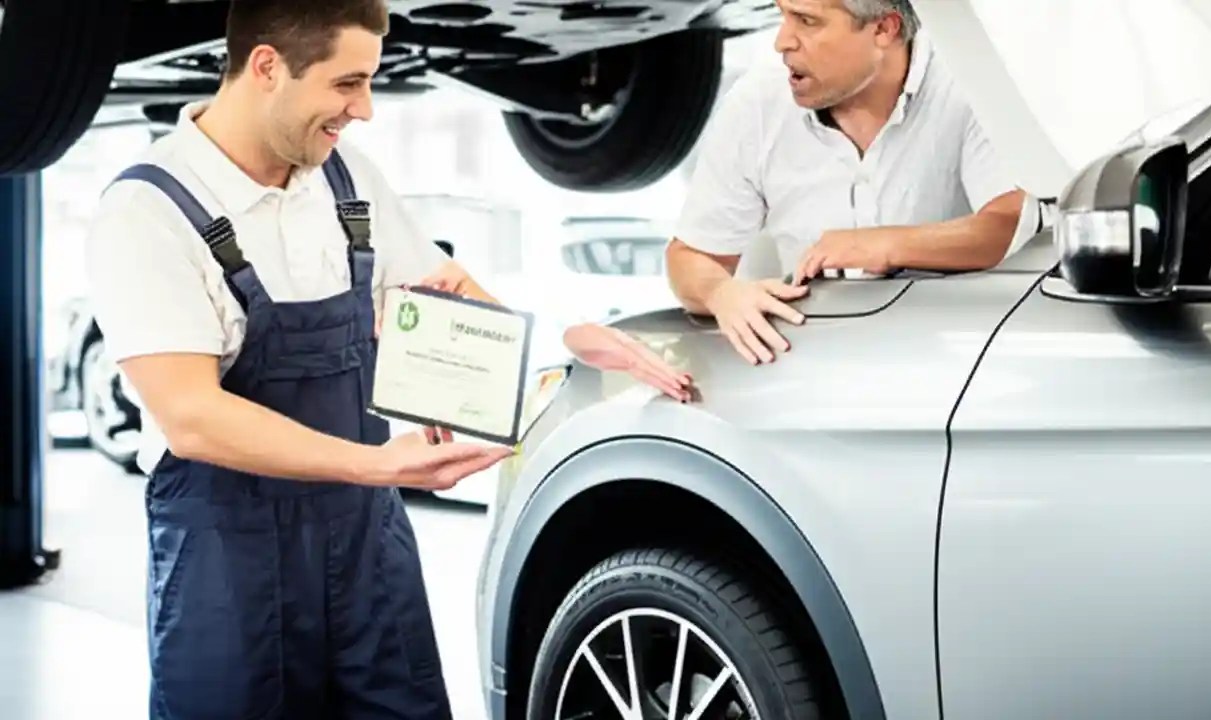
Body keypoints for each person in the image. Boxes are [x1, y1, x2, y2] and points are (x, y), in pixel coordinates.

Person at [85, 1, 691, 717]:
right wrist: (376, 466)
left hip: (366, 554)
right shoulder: (148, 209)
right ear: (267, 67)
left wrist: (558, 341)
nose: (365, 108)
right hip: (228, 570)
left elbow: (437, 288)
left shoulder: (344, 180)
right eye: (347, 83)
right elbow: (191, 417)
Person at [666, 0, 1036, 365]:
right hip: (810, 363)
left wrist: (885, 245)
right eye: (782, 14)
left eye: (807, 21)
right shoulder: (757, 104)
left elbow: (1009, 222)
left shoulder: (969, 85)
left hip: (955, 361)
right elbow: (693, 256)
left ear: (884, 29)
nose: (782, 42)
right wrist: (720, 292)